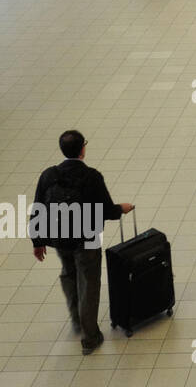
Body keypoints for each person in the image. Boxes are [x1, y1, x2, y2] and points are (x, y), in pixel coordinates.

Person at [29, 129, 134, 354]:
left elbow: (37, 208)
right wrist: (122, 209)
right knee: (88, 283)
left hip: (59, 238)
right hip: (86, 239)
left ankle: (77, 320)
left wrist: (37, 241)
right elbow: (106, 210)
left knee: (68, 274)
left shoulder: (49, 175)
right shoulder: (91, 177)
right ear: (82, 149)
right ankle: (90, 337)